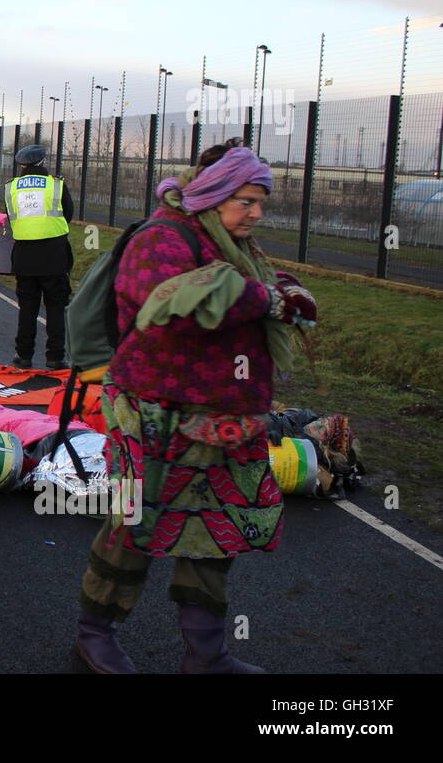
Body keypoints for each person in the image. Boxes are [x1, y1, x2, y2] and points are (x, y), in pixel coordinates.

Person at [73, 140, 317, 674]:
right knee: (135, 524)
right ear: (213, 194)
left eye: (261, 202)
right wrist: (269, 299)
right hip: (156, 412)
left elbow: (247, 289)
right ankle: (95, 635)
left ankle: (207, 655)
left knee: (216, 527)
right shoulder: (161, 238)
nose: (256, 213)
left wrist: (286, 290)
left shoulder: (233, 244)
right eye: (246, 201)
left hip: (228, 418)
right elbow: (172, 306)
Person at [3, 144, 74, 369]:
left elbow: (10, 215)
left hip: (25, 255)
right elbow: (68, 214)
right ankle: (55, 357)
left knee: (27, 308)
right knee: (55, 307)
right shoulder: (55, 185)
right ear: (42, 163)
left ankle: (23, 355)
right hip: (54, 254)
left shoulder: (11, 188)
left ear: (22, 165)